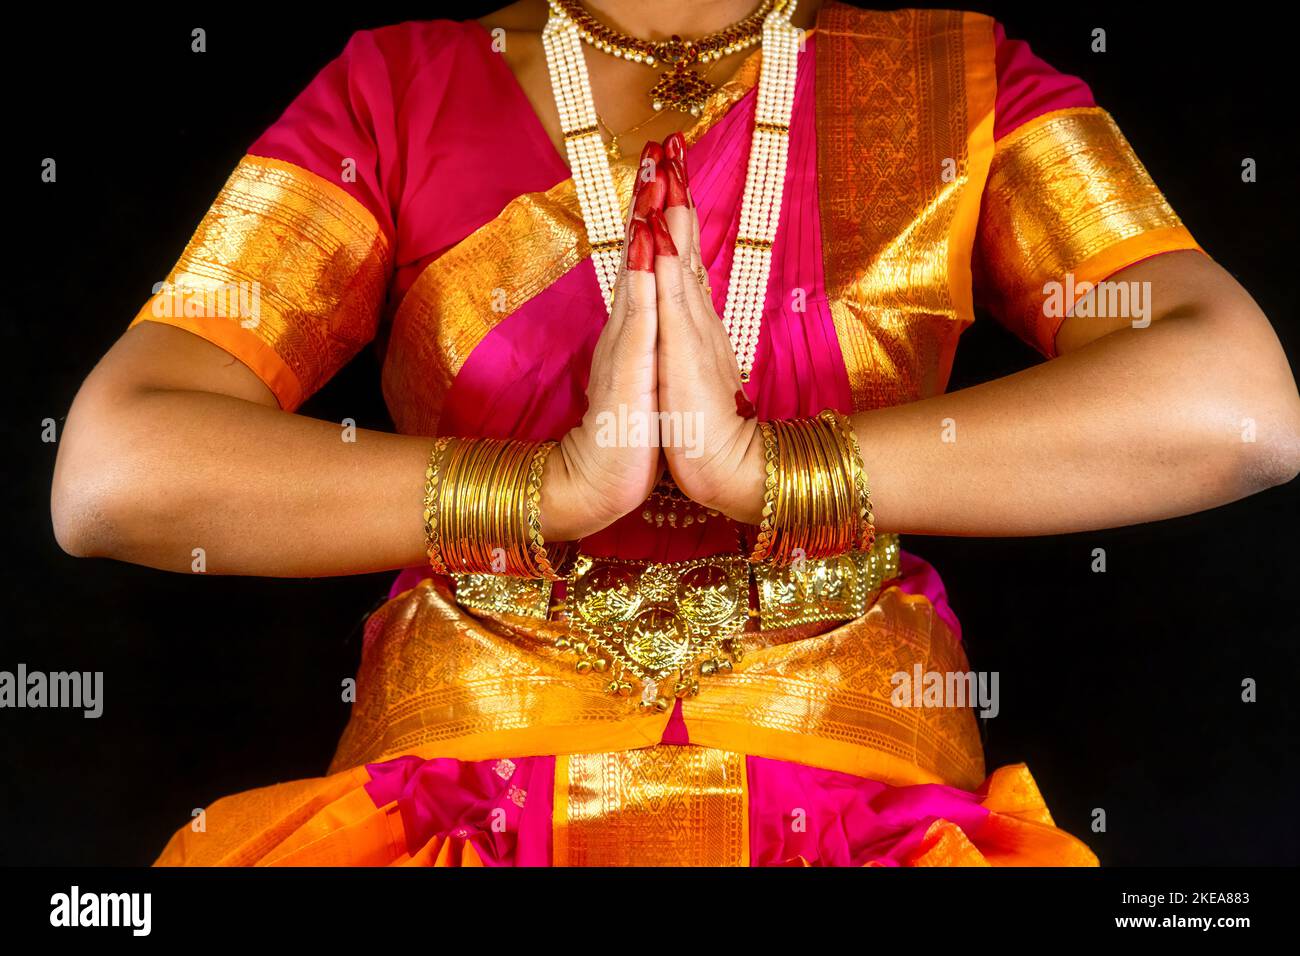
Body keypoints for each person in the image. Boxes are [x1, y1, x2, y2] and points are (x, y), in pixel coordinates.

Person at [50, 0, 1300, 866]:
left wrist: (770, 470)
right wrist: (543, 487)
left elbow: (1235, 403)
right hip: (448, 813)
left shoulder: (947, 77)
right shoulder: (399, 88)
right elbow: (116, 467)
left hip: (872, 819)